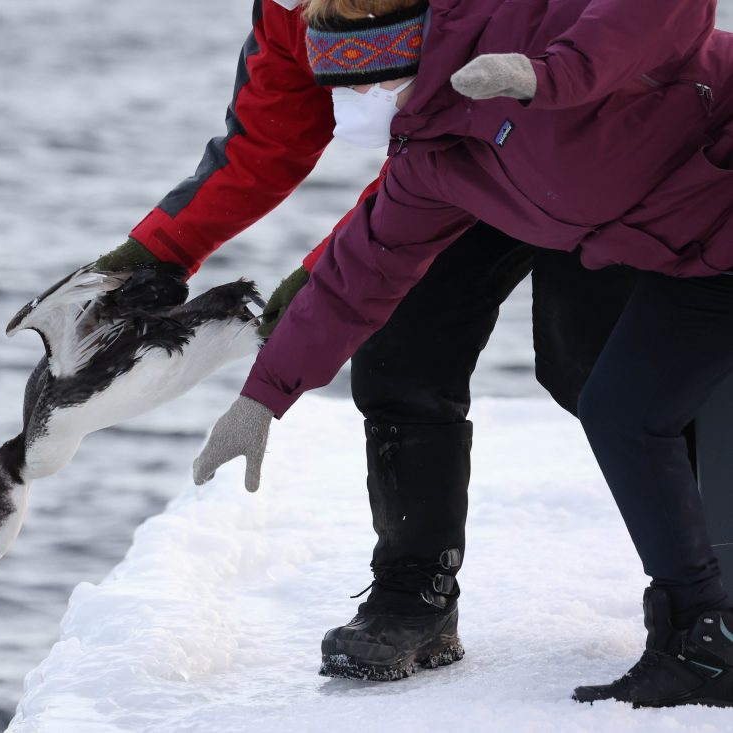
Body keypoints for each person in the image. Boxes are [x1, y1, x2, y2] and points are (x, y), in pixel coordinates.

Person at [193, 0, 733, 708]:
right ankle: (697, 636)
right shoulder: (433, 155)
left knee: (598, 376)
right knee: (611, 403)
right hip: (690, 257)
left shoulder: (528, 32)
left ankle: (712, 597)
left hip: (704, 204)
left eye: (361, 88)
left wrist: (551, 76)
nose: (354, 108)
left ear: (399, 62)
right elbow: (360, 271)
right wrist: (262, 397)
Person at [95, 0, 639, 683]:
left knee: (596, 368)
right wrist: (154, 256)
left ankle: (707, 578)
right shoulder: (289, 13)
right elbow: (283, 144)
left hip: (599, 141)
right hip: (458, 161)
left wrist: (321, 268)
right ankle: (417, 593)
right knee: (398, 355)